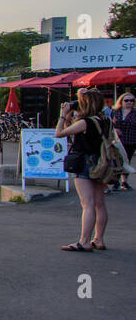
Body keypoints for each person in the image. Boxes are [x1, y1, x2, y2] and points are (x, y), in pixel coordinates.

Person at [56, 88, 113, 251]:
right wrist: (69, 118)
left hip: (85, 163)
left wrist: (62, 115)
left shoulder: (85, 122)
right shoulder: (105, 119)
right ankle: (99, 239)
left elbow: (59, 133)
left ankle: (84, 241)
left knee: (87, 204)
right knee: (100, 204)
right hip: (101, 162)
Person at [111, 92, 136, 193]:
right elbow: (108, 124)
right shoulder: (115, 111)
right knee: (116, 161)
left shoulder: (135, 112)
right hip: (117, 140)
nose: (129, 102)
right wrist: (114, 129)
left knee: (126, 161)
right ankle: (115, 181)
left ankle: (124, 181)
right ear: (121, 101)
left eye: (132, 100)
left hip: (131, 139)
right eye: (127, 100)